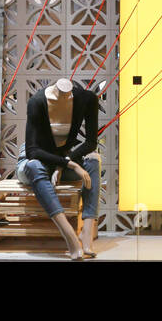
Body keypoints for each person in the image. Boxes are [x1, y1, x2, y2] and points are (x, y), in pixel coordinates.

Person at [17, 78, 101, 259]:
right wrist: (68, 164)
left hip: (62, 158)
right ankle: (69, 235)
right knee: (34, 167)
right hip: (35, 161)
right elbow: (32, 151)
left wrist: (65, 161)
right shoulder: (37, 102)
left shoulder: (86, 99)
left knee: (94, 160)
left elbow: (90, 143)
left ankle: (86, 232)